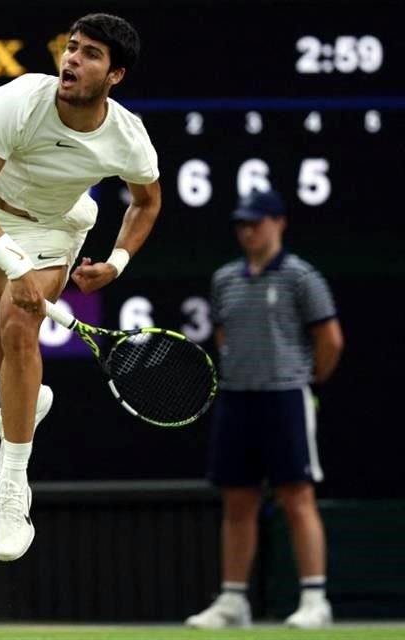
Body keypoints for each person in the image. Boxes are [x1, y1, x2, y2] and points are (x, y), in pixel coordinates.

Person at [0, 13, 161, 562]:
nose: (71, 61)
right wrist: (11, 266)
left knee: (21, 330)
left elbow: (147, 200)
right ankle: (27, 397)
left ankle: (12, 488)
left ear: (115, 76)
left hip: (56, 227)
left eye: (90, 55)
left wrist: (116, 262)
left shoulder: (128, 137)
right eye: (71, 48)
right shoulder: (19, 101)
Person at [185, 189, 344, 629]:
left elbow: (330, 340)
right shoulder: (224, 279)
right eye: (242, 224)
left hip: (286, 397)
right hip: (237, 398)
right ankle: (233, 601)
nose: (248, 231)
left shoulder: (301, 277)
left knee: (297, 495)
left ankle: (314, 599)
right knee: (238, 499)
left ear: (279, 223)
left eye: (256, 222)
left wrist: (304, 380)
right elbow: (222, 336)